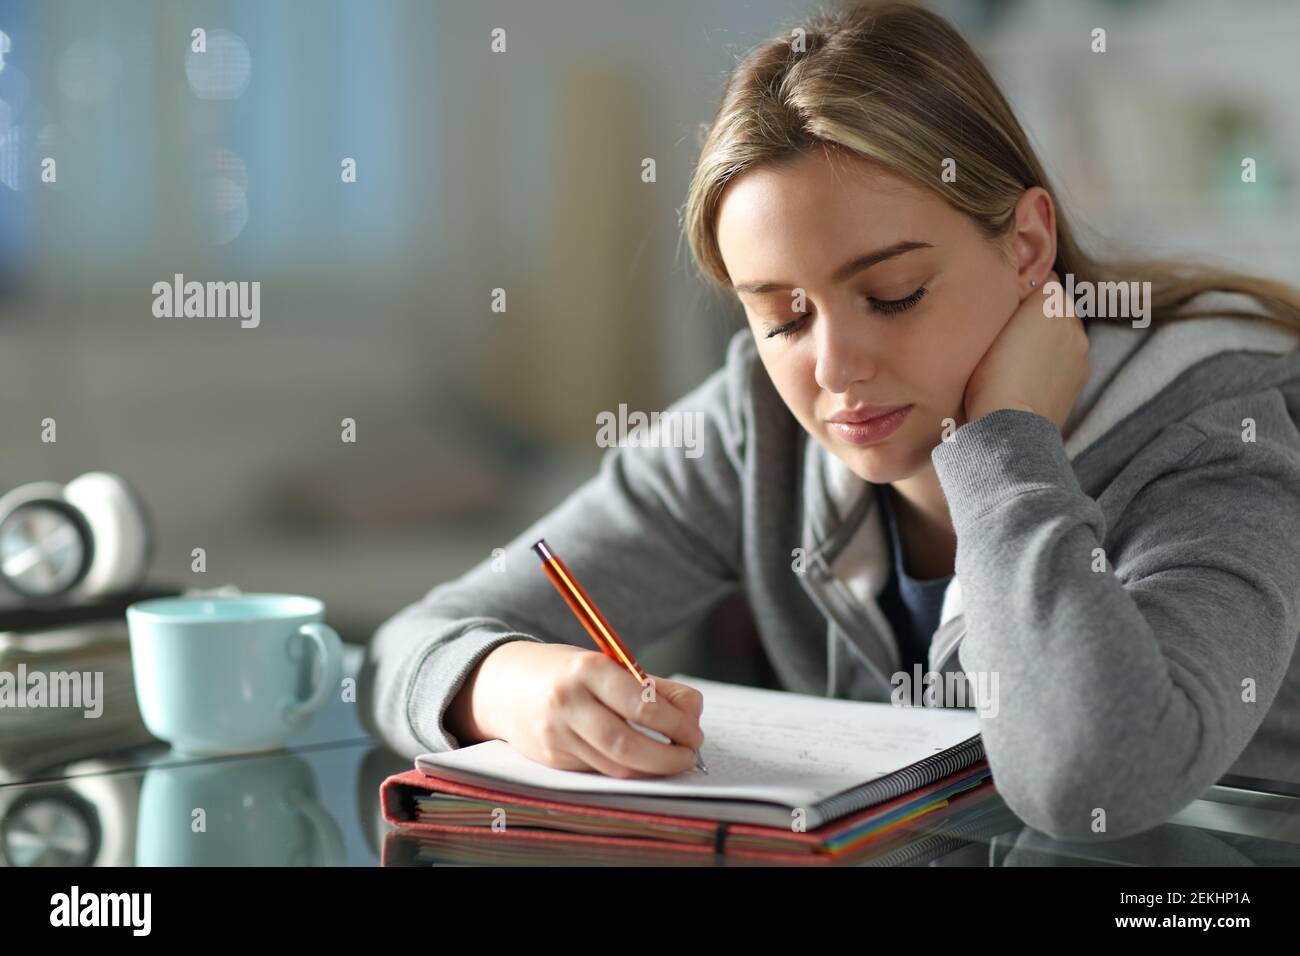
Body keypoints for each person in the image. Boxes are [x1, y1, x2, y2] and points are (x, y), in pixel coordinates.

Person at [359, 3, 1300, 841]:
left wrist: (1007, 443)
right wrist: (509, 685)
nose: (836, 370)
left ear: (1026, 246)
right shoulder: (753, 424)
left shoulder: (1214, 429)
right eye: (783, 315)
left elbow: (1092, 781)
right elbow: (409, 643)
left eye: (892, 294)